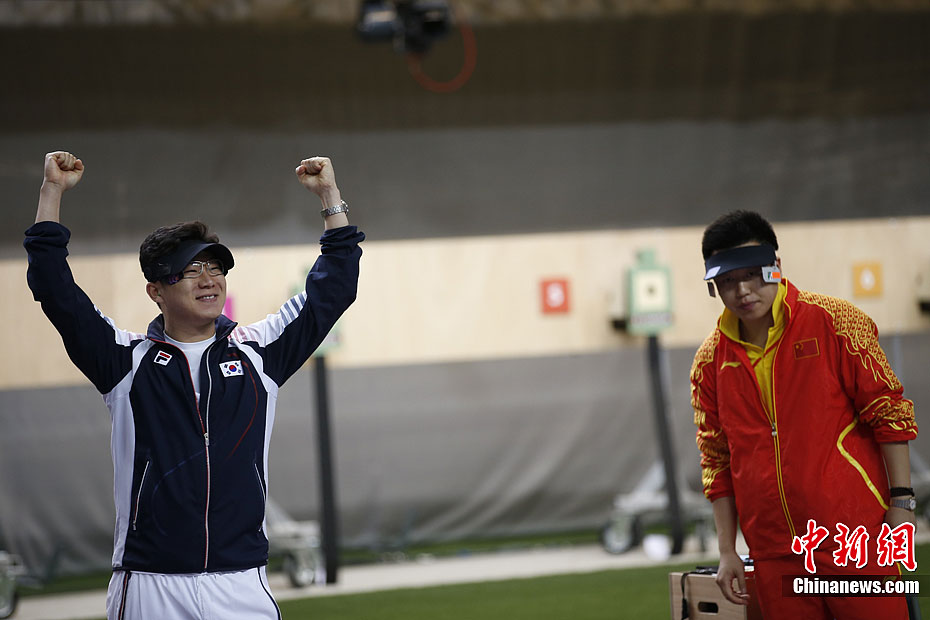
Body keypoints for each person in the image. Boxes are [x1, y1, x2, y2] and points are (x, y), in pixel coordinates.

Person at [24, 151, 365, 620]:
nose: (209, 280)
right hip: (150, 583)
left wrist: (329, 196)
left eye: (216, 268)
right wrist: (52, 192)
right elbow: (54, 289)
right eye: (191, 270)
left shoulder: (260, 351)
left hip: (242, 581)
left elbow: (336, 288)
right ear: (156, 290)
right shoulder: (123, 360)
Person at [690, 210, 917, 619]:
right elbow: (717, 460)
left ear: (775, 266)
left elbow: (889, 412)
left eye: (752, 274)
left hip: (855, 538)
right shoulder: (709, 362)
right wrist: (727, 551)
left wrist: (902, 502)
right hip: (774, 551)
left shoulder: (835, 322)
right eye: (727, 281)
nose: (742, 290)